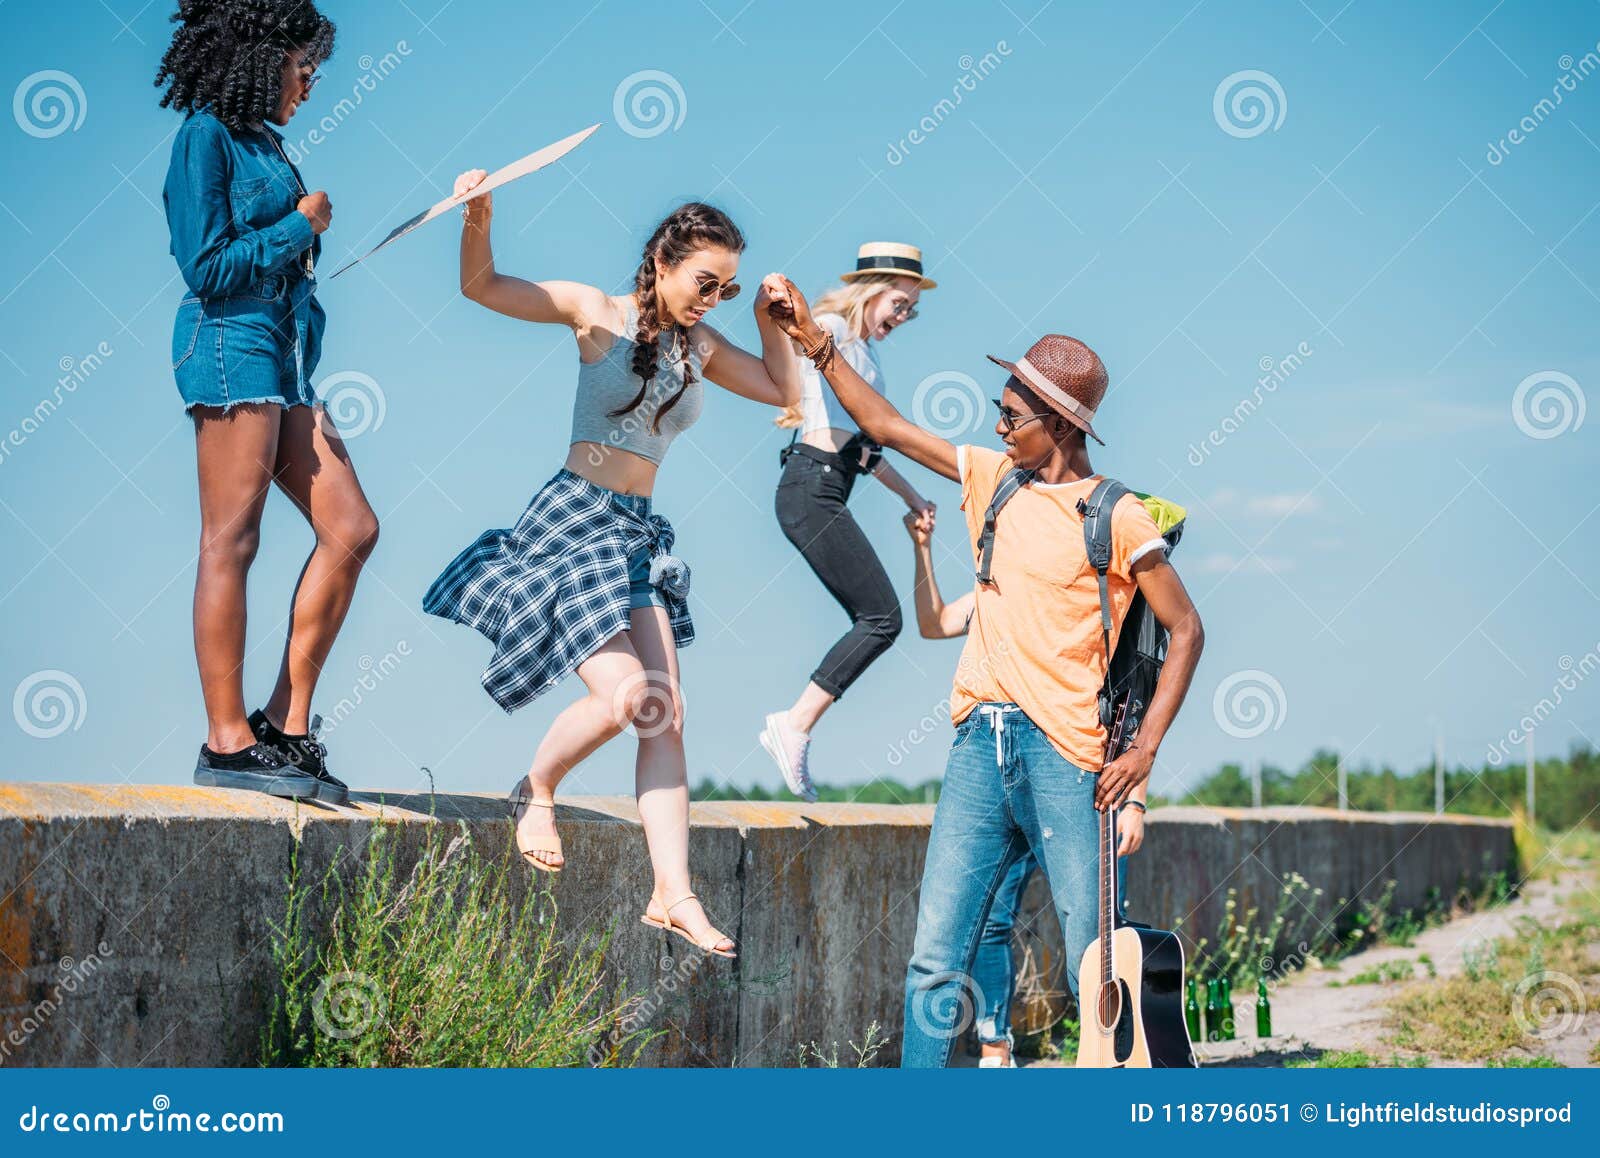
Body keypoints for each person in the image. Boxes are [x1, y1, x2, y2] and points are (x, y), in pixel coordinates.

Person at [764, 280, 1204, 1066]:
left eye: (1013, 415)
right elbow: (886, 427)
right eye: (999, 409)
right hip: (978, 745)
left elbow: (1185, 628)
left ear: (1063, 424)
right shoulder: (988, 478)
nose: (998, 425)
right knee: (935, 957)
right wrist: (816, 344)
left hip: (1069, 757)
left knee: (1092, 960)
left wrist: (1143, 755)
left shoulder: (1116, 512)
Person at [423, 180, 802, 958]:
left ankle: (674, 893)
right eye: (705, 281)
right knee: (629, 697)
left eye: (726, 287)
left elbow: (781, 389)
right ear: (663, 260)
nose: (713, 299)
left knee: (667, 710)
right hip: (576, 521)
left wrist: (769, 322)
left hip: (635, 534)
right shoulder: (595, 312)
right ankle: (537, 789)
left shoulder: (700, 348)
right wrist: (477, 219)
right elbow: (481, 286)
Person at [159, 0, 375, 804]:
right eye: (302, 65)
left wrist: (299, 230)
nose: (310, 81)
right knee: (232, 539)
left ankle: (283, 725)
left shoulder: (267, 147)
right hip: (228, 348)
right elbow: (208, 267)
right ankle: (226, 742)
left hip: (284, 362)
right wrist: (300, 223)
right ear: (259, 60)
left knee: (351, 528)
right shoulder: (204, 138)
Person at [901, 512, 1144, 1068]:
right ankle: (993, 1045)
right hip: (991, 764)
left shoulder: (1095, 598)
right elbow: (935, 622)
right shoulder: (999, 593)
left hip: (1076, 770)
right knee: (985, 923)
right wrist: (922, 549)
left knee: (1098, 946)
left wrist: (1136, 798)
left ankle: (1118, 1071)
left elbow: (1136, 689)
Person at [758, 244, 937, 801]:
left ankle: (797, 724)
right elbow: (786, 338)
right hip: (809, 486)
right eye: (899, 304)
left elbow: (866, 448)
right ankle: (794, 724)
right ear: (873, 288)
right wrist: (778, 302)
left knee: (881, 617)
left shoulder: (871, 362)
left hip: (829, 484)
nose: (902, 317)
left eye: (911, 310)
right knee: (882, 617)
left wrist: (915, 497)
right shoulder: (829, 328)